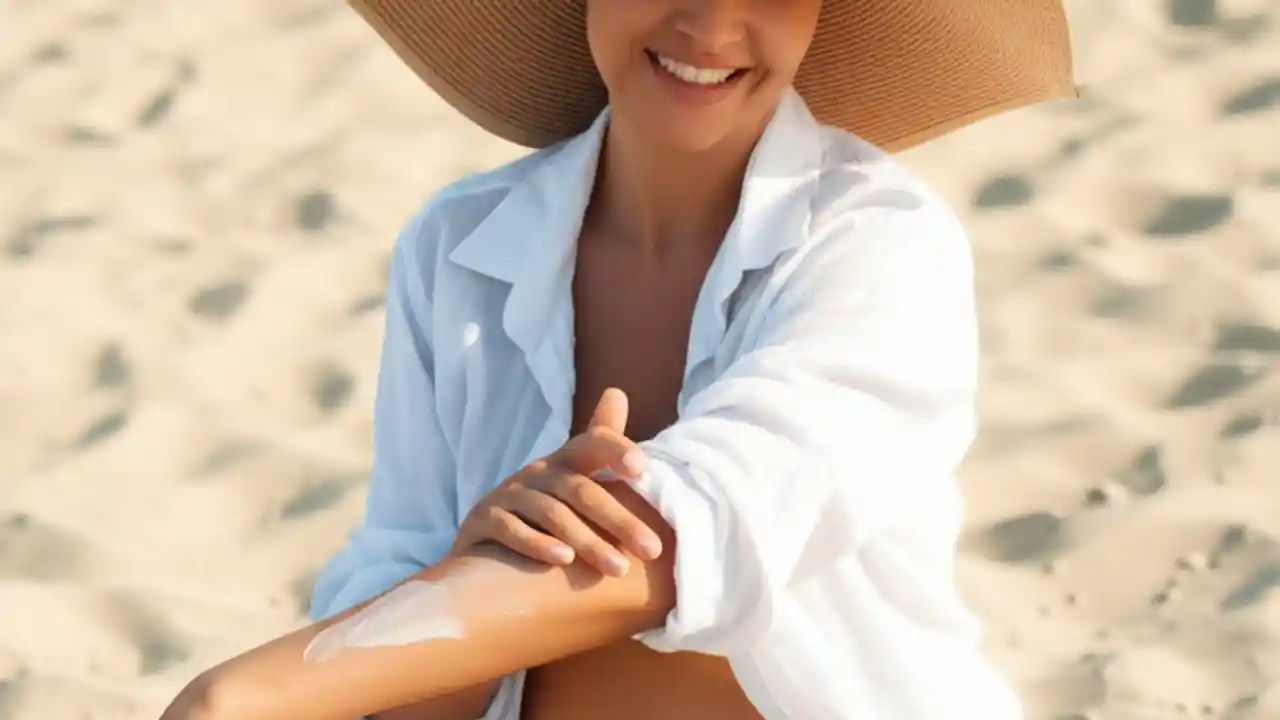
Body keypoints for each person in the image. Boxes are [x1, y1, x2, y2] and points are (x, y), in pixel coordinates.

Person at [160, 1, 1076, 718]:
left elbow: (703, 531)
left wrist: (241, 695)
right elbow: (401, 692)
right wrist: (463, 562)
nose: (711, 25)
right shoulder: (454, 249)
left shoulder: (879, 245)